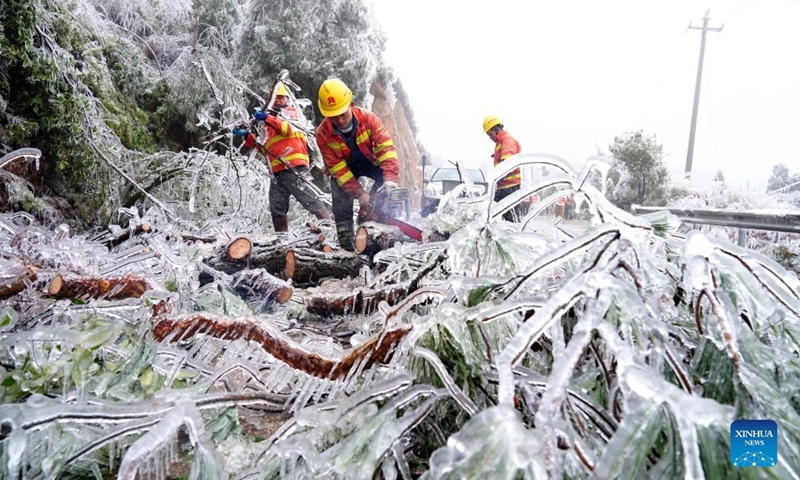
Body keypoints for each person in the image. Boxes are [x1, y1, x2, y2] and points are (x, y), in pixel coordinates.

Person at [315, 78, 402, 250]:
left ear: (351, 104)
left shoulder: (369, 119)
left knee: (382, 200)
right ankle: (346, 246)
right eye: (333, 116)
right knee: (340, 201)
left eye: (342, 113)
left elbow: (387, 150)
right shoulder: (322, 134)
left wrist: (390, 179)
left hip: (373, 164)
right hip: (346, 168)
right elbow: (339, 170)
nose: (339, 120)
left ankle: (379, 238)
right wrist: (360, 193)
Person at [232, 81, 331, 232]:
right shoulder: (269, 123)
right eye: (275, 98)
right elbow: (264, 148)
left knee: (309, 199)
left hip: (293, 166)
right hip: (277, 169)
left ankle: (329, 229)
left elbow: (287, 130)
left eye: (281, 97)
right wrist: (247, 136)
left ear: (287, 99)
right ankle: (282, 241)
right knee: (277, 207)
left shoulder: (291, 113)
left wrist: (267, 118)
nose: (278, 100)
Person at [483, 115, 522, 222]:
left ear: (497, 129)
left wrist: (497, 179)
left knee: (511, 221)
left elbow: (507, 164)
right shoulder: (500, 143)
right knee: (493, 218)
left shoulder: (507, 140)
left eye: (490, 134)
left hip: (510, 188)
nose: (490, 138)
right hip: (503, 187)